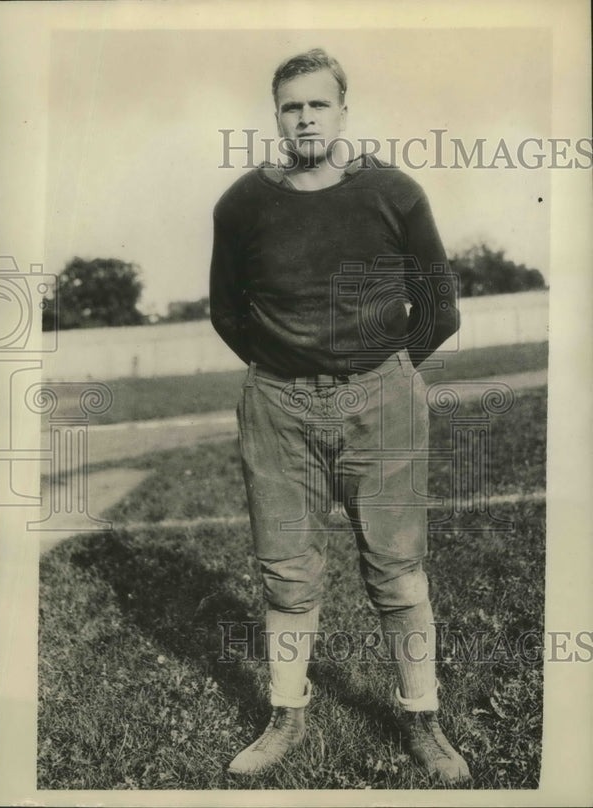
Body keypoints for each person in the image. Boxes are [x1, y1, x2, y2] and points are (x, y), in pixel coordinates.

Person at [209, 48, 469, 785]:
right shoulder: (243, 203)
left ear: (343, 110)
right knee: (286, 571)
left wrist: (381, 375)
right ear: (277, 117)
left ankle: (423, 720)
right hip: (277, 406)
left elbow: (441, 310)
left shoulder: (393, 191)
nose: (306, 118)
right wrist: (289, 372)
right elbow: (227, 312)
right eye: (292, 107)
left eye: (318, 104)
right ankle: (286, 715)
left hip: (381, 399)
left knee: (396, 569)